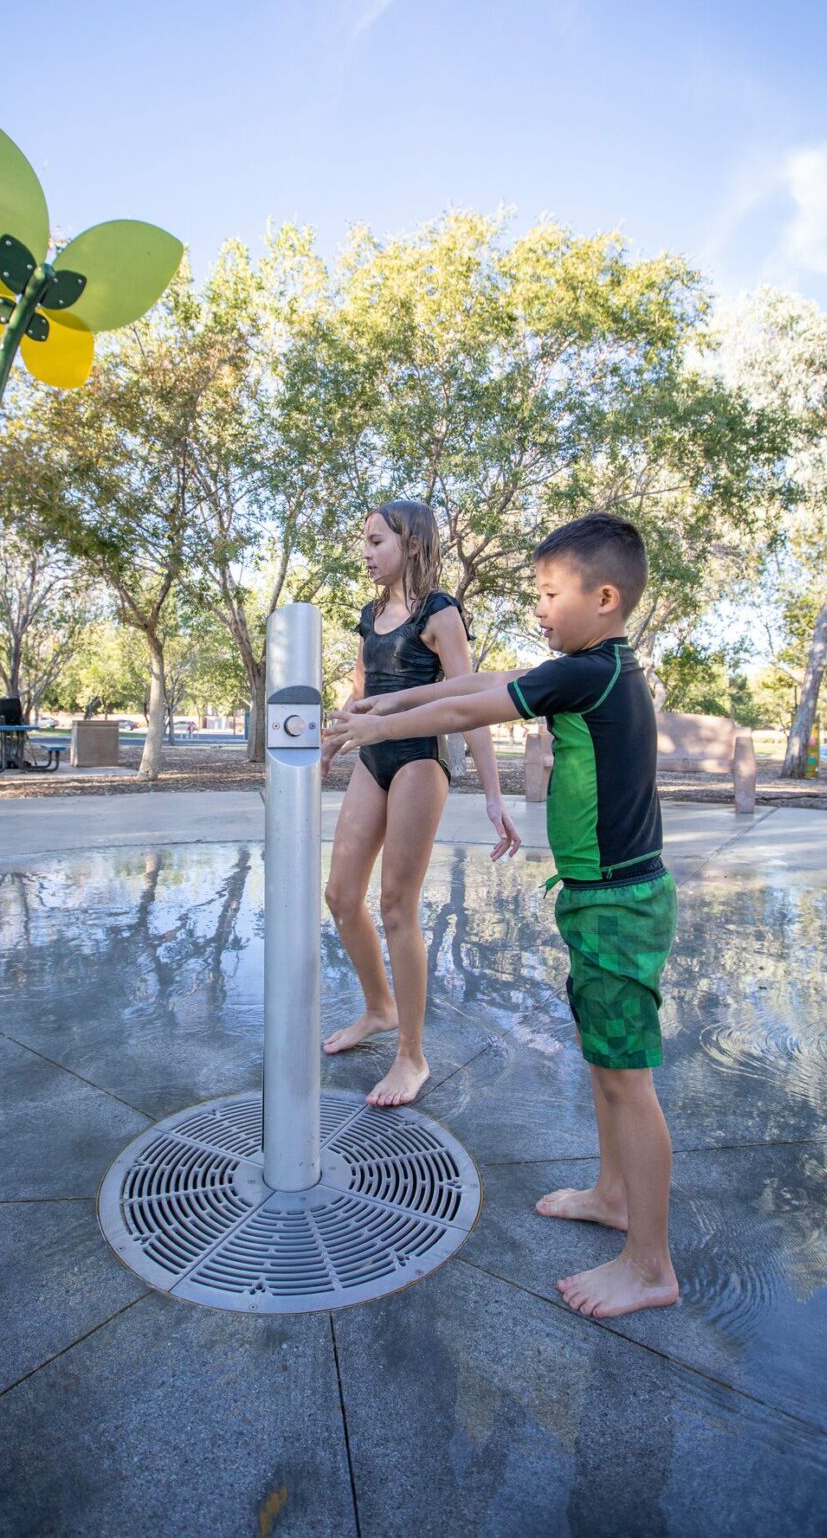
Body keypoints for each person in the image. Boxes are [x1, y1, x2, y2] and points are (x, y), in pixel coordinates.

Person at [326, 512, 678, 1319]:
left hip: (619, 904)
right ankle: (613, 1194)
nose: (539, 607)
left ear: (605, 597)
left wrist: (381, 722)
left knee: (628, 1080)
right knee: (605, 1061)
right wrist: (387, 700)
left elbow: (466, 712)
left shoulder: (586, 673)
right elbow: (466, 685)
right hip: (601, 898)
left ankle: (650, 1263)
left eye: (551, 593)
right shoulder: (594, 668)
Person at [320, 500, 522, 1108]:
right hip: (373, 756)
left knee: (396, 905)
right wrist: (329, 747)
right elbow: (360, 693)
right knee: (340, 895)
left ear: (410, 544)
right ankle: (379, 1008)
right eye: (364, 542)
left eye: (376, 542)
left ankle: (412, 1055)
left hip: (419, 758)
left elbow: (471, 705)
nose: (366, 554)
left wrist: (493, 794)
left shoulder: (440, 613)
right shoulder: (370, 615)